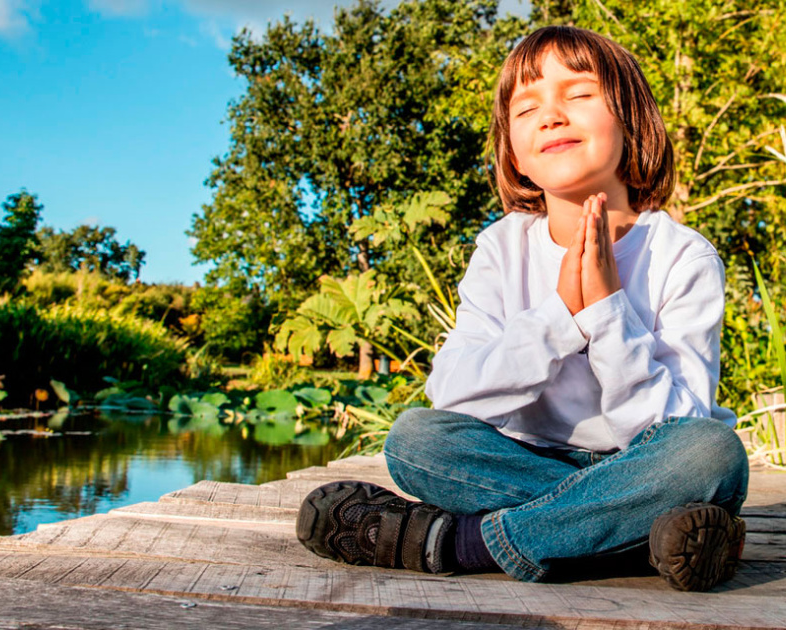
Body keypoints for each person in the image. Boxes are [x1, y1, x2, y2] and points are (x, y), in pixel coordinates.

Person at [296, 25, 749, 592]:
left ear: (632, 120)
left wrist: (607, 311)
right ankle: (630, 539)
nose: (552, 115)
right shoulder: (501, 247)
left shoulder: (682, 256)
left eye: (579, 95)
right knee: (416, 439)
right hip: (524, 461)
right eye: (527, 106)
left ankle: (459, 544)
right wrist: (560, 315)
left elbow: (677, 426)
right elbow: (454, 395)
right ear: (513, 147)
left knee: (711, 456)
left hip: (652, 467)